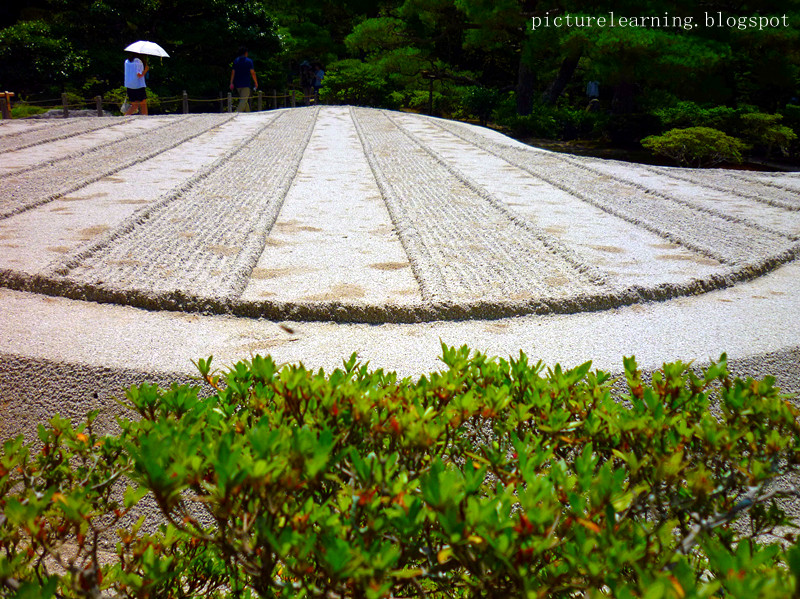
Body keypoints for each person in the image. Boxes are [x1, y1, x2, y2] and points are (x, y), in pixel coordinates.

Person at [230, 46, 258, 112]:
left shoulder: (236, 61)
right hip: (246, 84)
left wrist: (231, 82)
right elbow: (252, 73)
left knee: (244, 100)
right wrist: (256, 82)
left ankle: (249, 114)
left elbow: (233, 72)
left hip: (237, 84)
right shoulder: (249, 61)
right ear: (245, 53)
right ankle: (236, 114)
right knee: (243, 100)